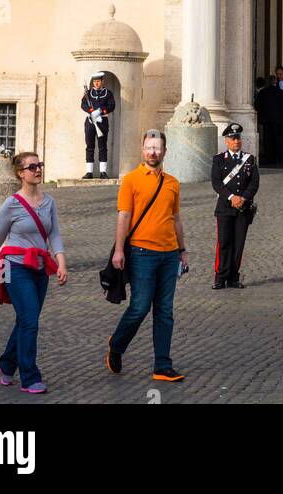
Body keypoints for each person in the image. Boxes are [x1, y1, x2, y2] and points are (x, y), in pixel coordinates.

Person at [0, 151, 68, 394]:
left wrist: (61, 263)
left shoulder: (49, 202)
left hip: (39, 268)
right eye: (32, 166)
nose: (38, 170)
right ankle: (29, 376)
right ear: (20, 173)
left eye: (40, 165)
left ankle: (6, 363)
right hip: (13, 268)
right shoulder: (11, 204)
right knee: (30, 321)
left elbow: (54, 234)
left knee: (27, 319)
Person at [105, 128, 187, 383]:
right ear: (143, 150)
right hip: (141, 252)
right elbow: (124, 216)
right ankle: (117, 344)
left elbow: (175, 218)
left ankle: (162, 365)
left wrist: (182, 251)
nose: (153, 152)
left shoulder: (173, 182)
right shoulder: (131, 180)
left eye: (157, 148)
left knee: (164, 311)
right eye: (149, 147)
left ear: (165, 151)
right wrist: (119, 250)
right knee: (140, 307)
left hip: (169, 254)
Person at [211, 124, 260, 290]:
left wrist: (243, 198)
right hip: (225, 206)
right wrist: (232, 197)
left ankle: (233, 277)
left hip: (242, 208)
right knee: (223, 242)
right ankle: (220, 277)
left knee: (238, 244)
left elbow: (254, 183)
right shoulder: (219, 160)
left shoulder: (249, 160)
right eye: (232, 138)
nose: (236, 141)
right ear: (226, 141)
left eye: (238, 138)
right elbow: (216, 183)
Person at [81, 73, 115, 179]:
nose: (96, 83)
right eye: (95, 82)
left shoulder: (108, 93)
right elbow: (83, 104)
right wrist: (91, 111)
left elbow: (111, 105)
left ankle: (103, 172)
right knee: (90, 147)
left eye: (98, 81)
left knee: (102, 147)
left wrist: (100, 111)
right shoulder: (88, 93)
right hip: (90, 122)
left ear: (102, 82)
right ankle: (89, 172)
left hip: (102, 122)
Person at [255, 72, 280, 165]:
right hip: (277, 120)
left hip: (266, 120)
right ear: (275, 82)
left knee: (267, 139)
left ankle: (268, 156)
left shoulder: (262, 92)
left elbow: (257, 105)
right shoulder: (279, 92)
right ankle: (275, 157)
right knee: (276, 138)